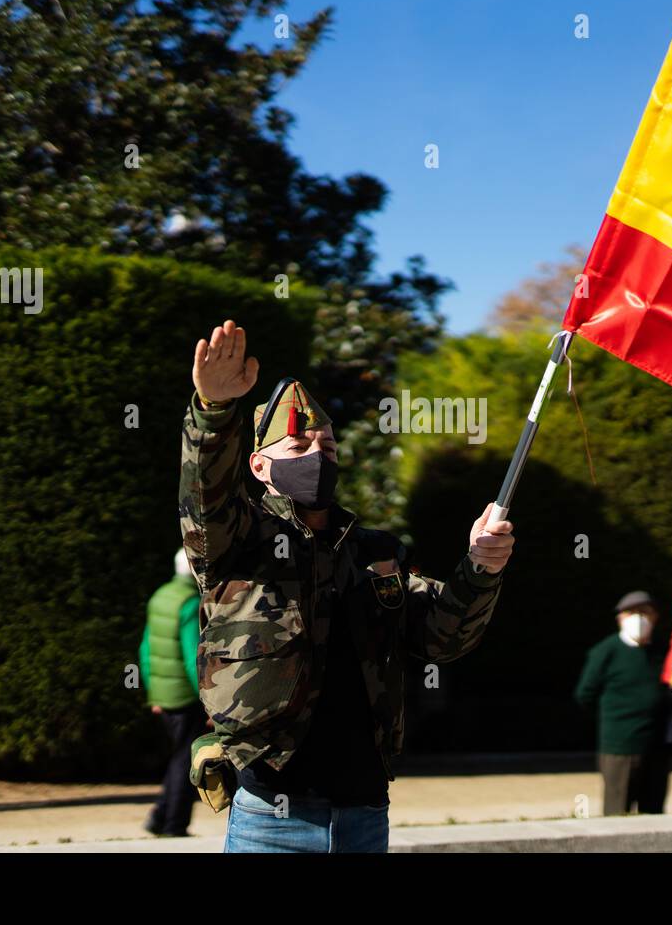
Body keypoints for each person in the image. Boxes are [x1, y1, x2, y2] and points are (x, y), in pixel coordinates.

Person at [180, 319, 515, 853]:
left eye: (328, 445)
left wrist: (480, 568)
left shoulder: (376, 552)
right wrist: (215, 413)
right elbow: (205, 495)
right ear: (259, 465)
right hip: (271, 814)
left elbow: (441, 638)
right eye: (300, 443)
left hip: (363, 810)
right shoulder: (235, 541)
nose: (319, 453)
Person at [574, 590, 671, 815]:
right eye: (632, 613)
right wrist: (614, 722)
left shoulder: (664, 651)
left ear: (655, 617)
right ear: (620, 618)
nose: (639, 618)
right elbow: (585, 695)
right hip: (619, 748)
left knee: (654, 814)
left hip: (656, 747)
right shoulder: (605, 651)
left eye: (645, 612)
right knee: (617, 813)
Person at [139, 548, 207, 837]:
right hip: (185, 695)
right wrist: (208, 701)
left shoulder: (160, 596)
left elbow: (145, 648)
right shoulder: (190, 602)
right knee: (185, 759)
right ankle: (174, 824)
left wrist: (153, 693)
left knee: (178, 755)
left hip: (164, 696)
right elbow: (194, 658)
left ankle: (159, 817)